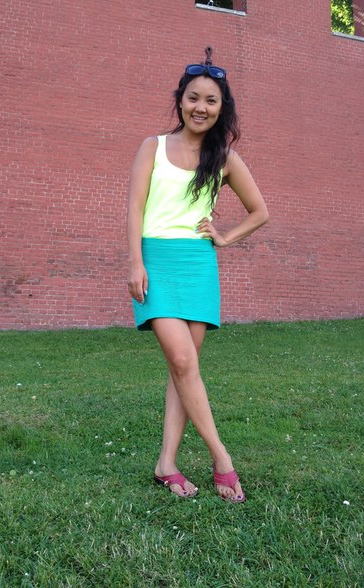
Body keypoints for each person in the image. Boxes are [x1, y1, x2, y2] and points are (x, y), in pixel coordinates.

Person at [127, 47, 269, 502]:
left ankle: (165, 463)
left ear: (221, 108)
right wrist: (135, 262)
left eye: (211, 100)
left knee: (181, 369)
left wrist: (224, 238)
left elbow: (260, 211)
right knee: (184, 363)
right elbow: (135, 208)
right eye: (193, 98)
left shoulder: (223, 157)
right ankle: (221, 458)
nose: (200, 107)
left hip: (199, 266)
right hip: (156, 263)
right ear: (180, 100)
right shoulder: (152, 147)